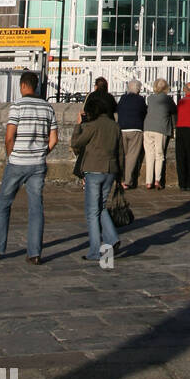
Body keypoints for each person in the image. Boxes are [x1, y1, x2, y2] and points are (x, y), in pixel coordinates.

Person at [0, 70, 58, 265]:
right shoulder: (48, 107)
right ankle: (34, 253)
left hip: (17, 162)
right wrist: (42, 153)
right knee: (36, 207)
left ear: (23, 85)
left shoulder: (17, 106)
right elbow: (54, 139)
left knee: (4, 204)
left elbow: (9, 137)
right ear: (36, 86)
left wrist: (11, 155)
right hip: (38, 164)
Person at [70, 91, 124, 262]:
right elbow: (120, 152)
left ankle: (95, 250)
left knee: (92, 212)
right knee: (101, 207)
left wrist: (78, 125)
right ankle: (112, 239)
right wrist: (120, 175)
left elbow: (76, 143)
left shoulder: (92, 125)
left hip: (94, 169)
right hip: (110, 170)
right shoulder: (114, 126)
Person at [143, 79, 176, 190]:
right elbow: (174, 110)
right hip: (161, 128)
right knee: (159, 155)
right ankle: (157, 180)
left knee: (149, 155)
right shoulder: (167, 99)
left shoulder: (150, 98)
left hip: (148, 127)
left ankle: (148, 181)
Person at [117, 79, 147, 189]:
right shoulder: (140, 99)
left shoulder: (123, 98)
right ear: (138, 89)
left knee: (122, 155)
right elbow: (144, 112)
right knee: (132, 156)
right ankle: (127, 181)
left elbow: (118, 109)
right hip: (136, 128)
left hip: (122, 128)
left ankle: (120, 179)